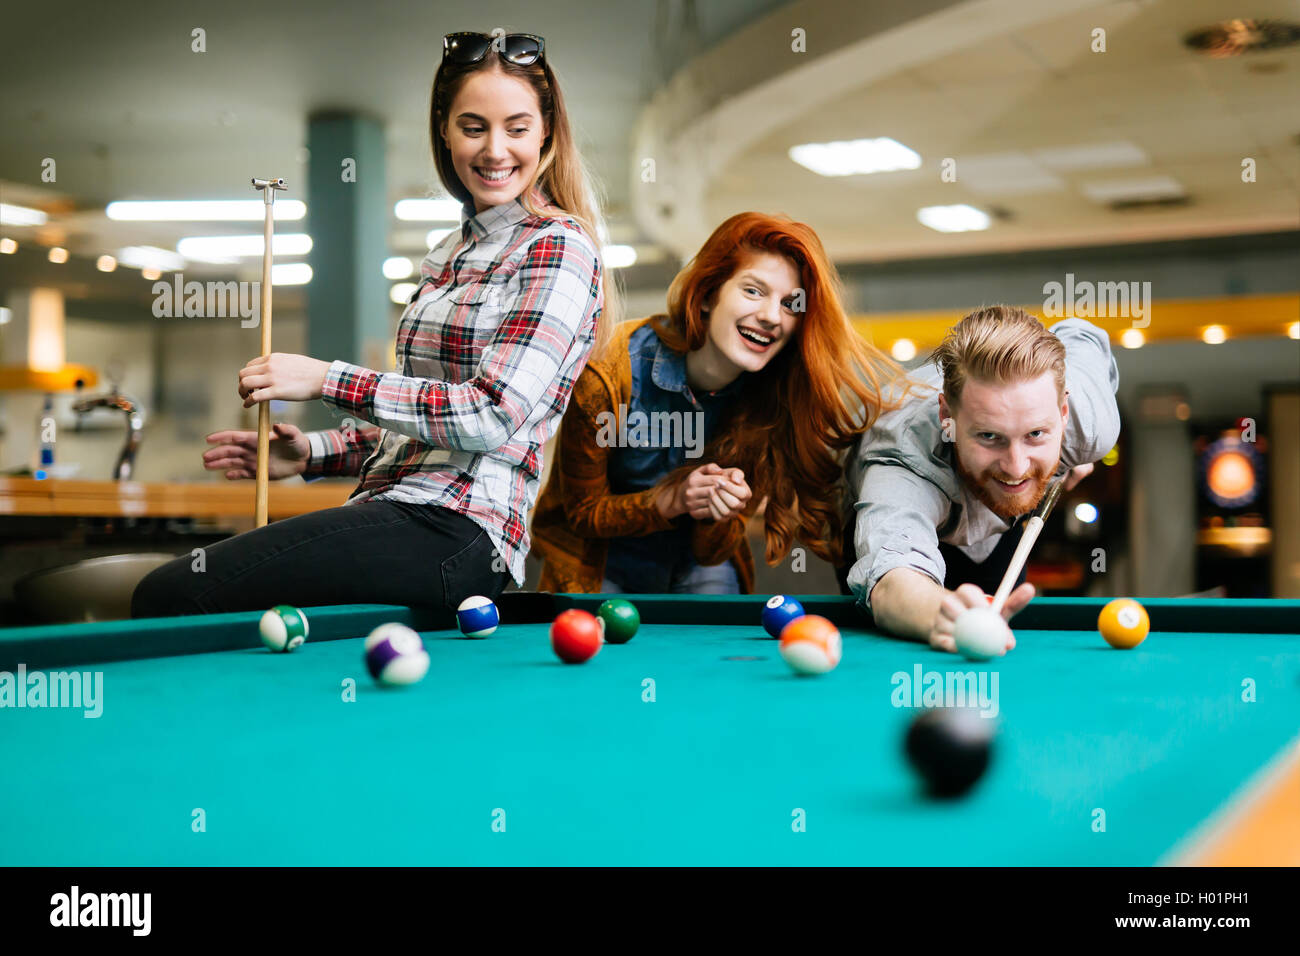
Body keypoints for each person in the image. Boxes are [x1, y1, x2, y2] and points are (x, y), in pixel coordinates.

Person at [133, 31, 608, 617]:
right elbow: (425, 429)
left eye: (516, 128)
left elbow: (489, 414)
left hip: (457, 532)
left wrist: (325, 379)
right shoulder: (449, 253)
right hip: (397, 513)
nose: (494, 150)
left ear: (546, 132)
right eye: (473, 126)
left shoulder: (557, 246)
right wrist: (311, 452)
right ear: (444, 129)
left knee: (170, 593)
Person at [532, 212, 904, 594]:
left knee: (719, 640)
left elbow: (712, 553)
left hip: (696, 564)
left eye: (791, 304)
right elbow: (582, 514)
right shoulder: (609, 372)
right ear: (709, 293)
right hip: (599, 557)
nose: (771, 316)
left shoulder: (775, 402)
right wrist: (671, 499)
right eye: (753, 291)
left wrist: (719, 515)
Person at [841, 305, 1120, 654]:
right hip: (883, 518)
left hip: (996, 518)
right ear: (948, 416)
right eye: (989, 437)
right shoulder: (904, 458)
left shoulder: (1089, 423)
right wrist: (937, 615)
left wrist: (1072, 455)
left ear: (1063, 413)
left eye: (1035, 433)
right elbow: (892, 578)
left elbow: (1082, 333)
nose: (1017, 467)